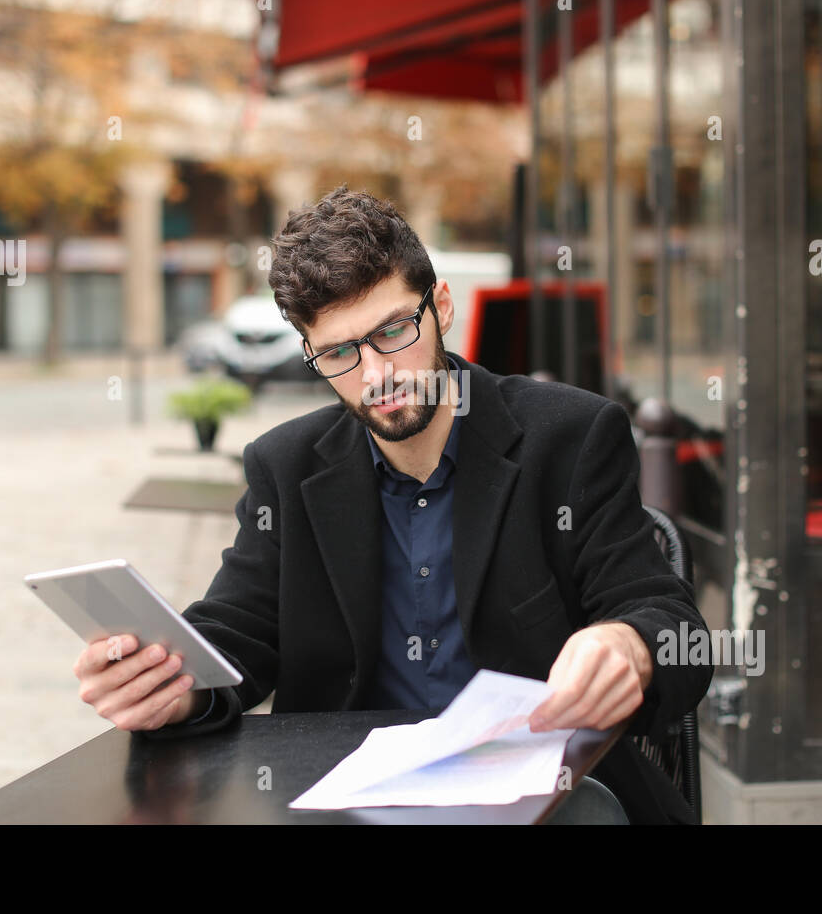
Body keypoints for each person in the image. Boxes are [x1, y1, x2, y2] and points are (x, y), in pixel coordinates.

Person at [72, 185, 714, 823]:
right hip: (352, 804)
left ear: (441, 306)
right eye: (339, 353)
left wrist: (627, 644)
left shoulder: (569, 437)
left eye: (393, 331)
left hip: (547, 799)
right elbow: (238, 629)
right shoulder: (286, 467)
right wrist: (172, 682)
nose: (375, 375)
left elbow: (669, 620)